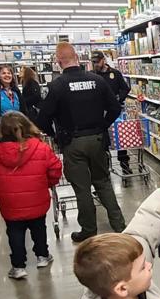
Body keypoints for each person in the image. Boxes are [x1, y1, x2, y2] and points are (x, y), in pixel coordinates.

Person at [36, 42, 125, 243]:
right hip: (97, 139)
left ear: (58, 62)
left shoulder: (57, 86)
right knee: (103, 182)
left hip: (72, 142)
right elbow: (115, 108)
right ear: (77, 56)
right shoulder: (97, 80)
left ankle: (88, 230)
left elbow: (42, 118)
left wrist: (56, 136)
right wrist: (103, 125)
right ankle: (119, 225)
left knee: (82, 187)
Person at [0, 111, 62, 280]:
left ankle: (18, 266)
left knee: (14, 231)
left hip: (9, 200)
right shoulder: (40, 147)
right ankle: (42, 256)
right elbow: (55, 168)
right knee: (39, 227)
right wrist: (47, 183)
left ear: (0, 130)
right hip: (36, 197)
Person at [91, 50, 132, 174]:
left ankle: (124, 164)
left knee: (121, 139)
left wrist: (119, 98)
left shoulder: (115, 73)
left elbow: (125, 88)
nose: (96, 65)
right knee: (103, 140)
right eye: (93, 62)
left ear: (103, 60)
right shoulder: (92, 75)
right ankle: (105, 166)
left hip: (116, 111)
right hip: (100, 113)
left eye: (97, 62)